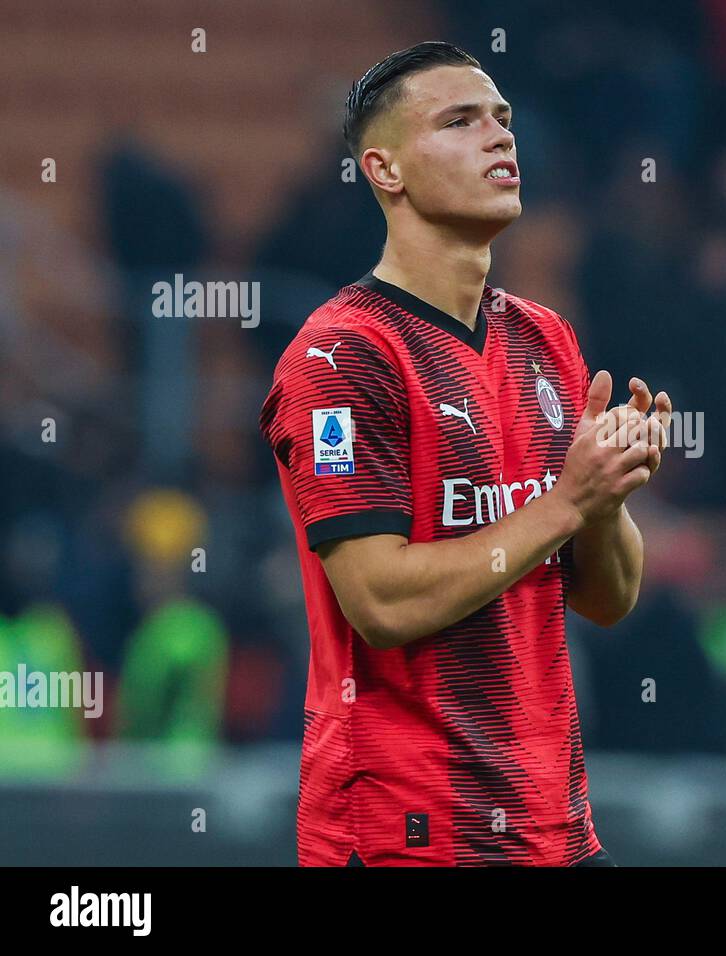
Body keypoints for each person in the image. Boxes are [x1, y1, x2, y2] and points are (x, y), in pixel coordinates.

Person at [259, 41, 672, 866]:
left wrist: (605, 496)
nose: (500, 138)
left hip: (551, 828)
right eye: (461, 121)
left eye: (503, 119)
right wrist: (562, 503)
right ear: (386, 170)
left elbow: (607, 598)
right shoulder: (342, 358)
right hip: (405, 835)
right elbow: (381, 604)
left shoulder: (543, 338)